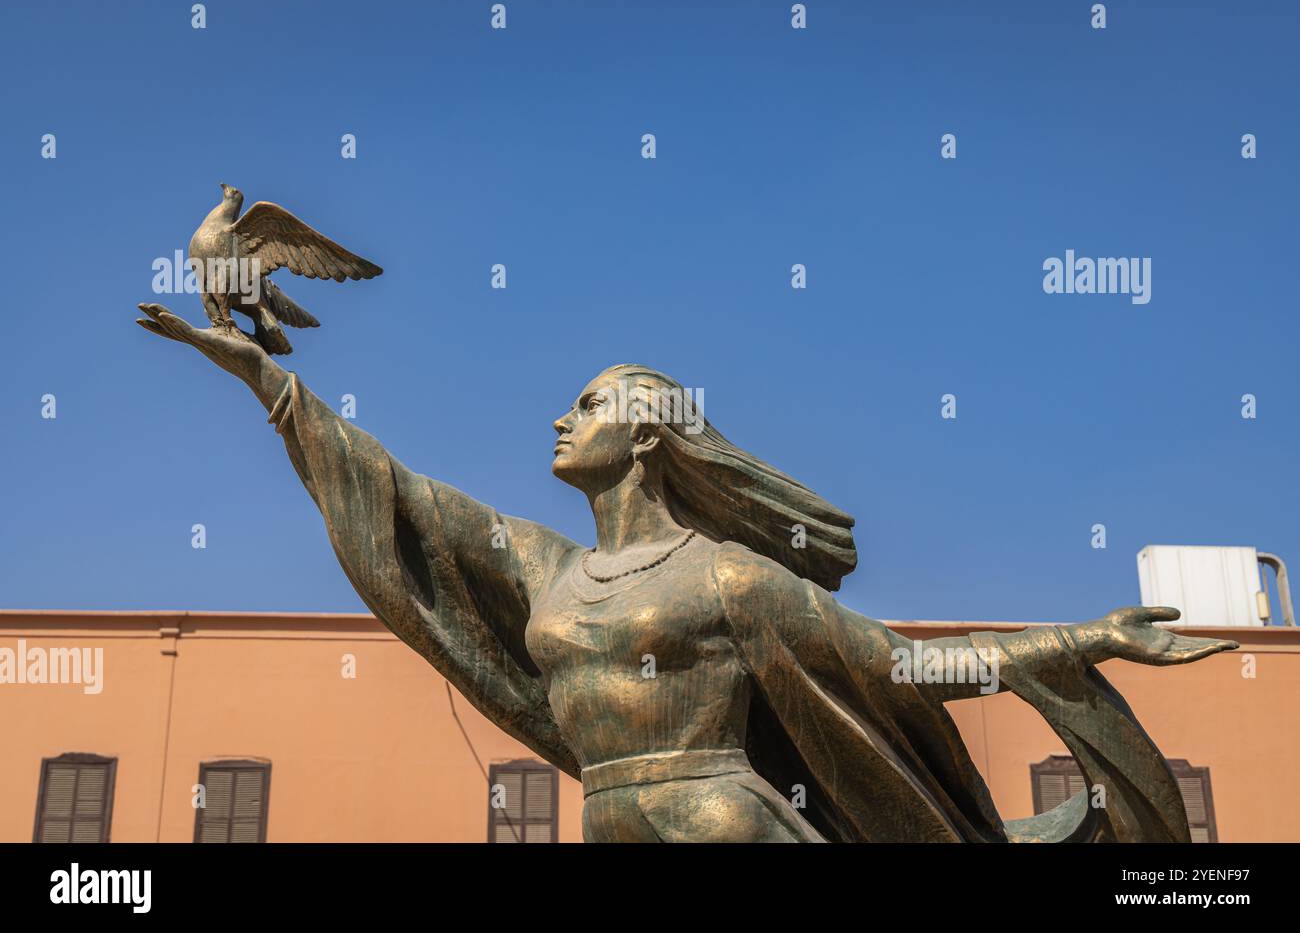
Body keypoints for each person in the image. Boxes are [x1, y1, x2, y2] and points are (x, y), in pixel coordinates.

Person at [137, 303, 1237, 842]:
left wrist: (1078, 643)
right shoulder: (546, 565)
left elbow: (900, 668)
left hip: (724, 826)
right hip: (610, 822)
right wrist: (271, 388)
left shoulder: (726, 579)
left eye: (591, 405)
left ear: (651, 434)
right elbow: (397, 499)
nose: (561, 419)